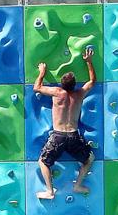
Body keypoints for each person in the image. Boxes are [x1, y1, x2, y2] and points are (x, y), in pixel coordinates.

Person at [34, 47, 97, 200]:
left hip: (58, 136)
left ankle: (49, 191)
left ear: (62, 85)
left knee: (43, 162)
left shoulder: (57, 92)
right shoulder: (80, 93)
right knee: (90, 159)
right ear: (74, 85)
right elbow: (92, 81)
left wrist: (42, 72)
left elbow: (36, 87)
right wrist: (88, 62)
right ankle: (78, 185)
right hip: (74, 135)